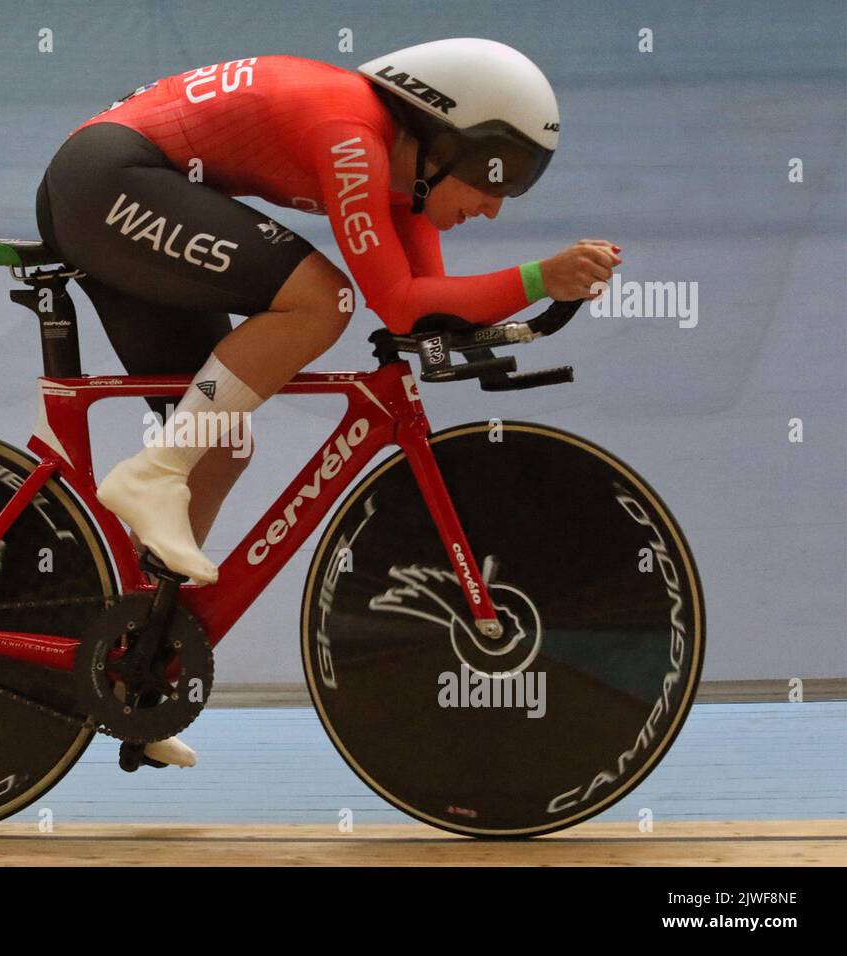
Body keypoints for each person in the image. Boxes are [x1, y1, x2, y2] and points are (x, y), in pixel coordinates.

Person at [34, 38, 619, 768]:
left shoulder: (406, 178)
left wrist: (523, 309)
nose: (495, 207)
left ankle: (136, 666)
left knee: (220, 441)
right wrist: (539, 275)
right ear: (439, 141)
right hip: (106, 180)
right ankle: (152, 474)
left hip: (120, 186)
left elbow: (424, 314)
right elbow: (396, 302)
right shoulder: (351, 134)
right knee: (323, 300)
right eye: (491, 178)